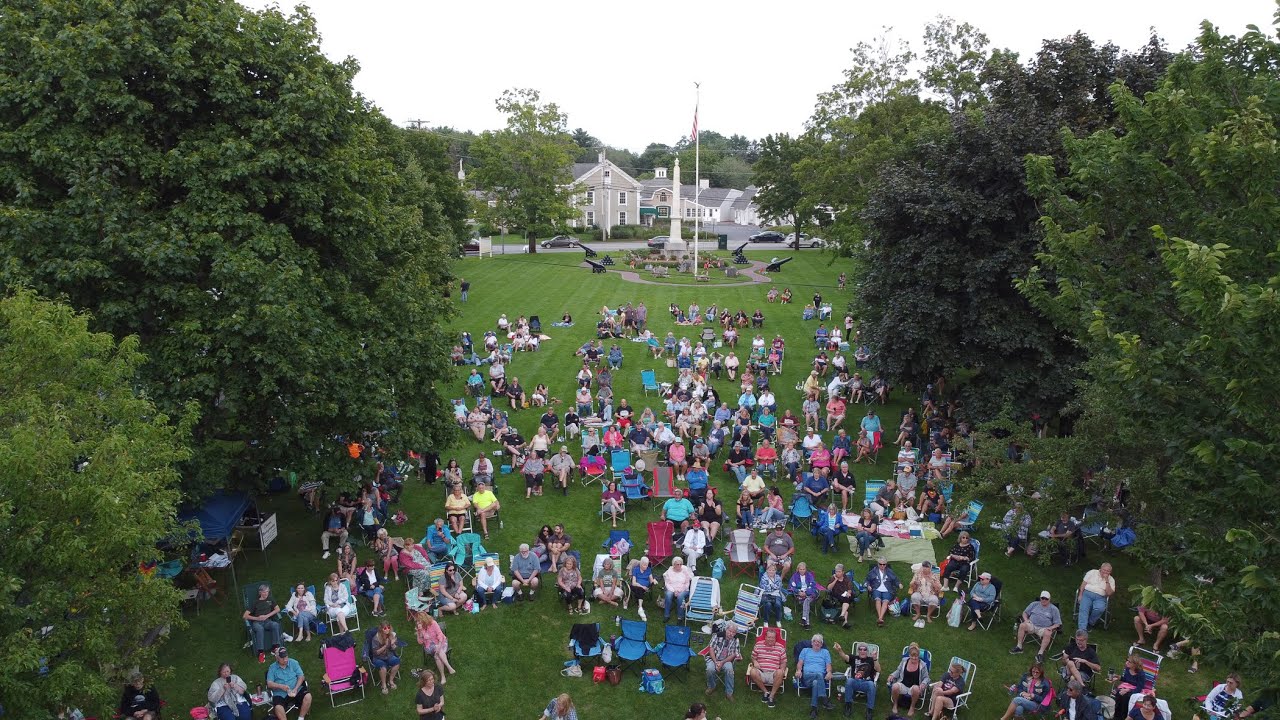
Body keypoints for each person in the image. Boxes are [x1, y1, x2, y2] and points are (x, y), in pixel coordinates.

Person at [833, 641, 880, 720]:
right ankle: (848, 706)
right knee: (849, 681)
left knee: (871, 685)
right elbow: (844, 657)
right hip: (855, 681)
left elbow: (878, 670)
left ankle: (869, 710)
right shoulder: (854, 658)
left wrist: (875, 659)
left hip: (867, 683)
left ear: (867, 651)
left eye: (864, 649)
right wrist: (839, 650)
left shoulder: (871, 660)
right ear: (858, 651)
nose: (862, 651)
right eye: (860, 649)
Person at [1012, 591, 1063, 663]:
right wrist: (1026, 620)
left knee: (1048, 633)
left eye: (1046, 599)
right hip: (1032, 624)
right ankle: (1019, 647)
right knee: (1022, 625)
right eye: (1042, 598)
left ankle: (1040, 653)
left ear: (1049, 599)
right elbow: (1025, 613)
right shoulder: (1034, 604)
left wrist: (1051, 628)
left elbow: (1057, 623)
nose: (1044, 600)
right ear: (1040, 598)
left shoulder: (1054, 609)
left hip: (1044, 628)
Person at [265, 647, 312, 720]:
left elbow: (301, 676)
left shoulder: (294, 663)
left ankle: (301, 718)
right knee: (278, 707)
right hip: (280, 693)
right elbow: (269, 683)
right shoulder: (272, 668)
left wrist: (296, 688)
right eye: (282, 658)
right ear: (277, 658)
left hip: (296, 689)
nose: (285, 659)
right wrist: (280, 686)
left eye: (286, 656)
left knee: (308, 696)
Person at [749, 626, 789, 707]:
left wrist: (782, 671)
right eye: (769, 637)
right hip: (761, 672)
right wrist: (755, 661)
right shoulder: (758, 645)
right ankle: (765, 692)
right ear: (765, 637)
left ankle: (772, 695)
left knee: (780, 672)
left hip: (774, 674)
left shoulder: (780, 647)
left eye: (773, 637)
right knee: (752, 671)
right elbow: (753, 657)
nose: (770, 639)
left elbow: (784, 662)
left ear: (775, 638)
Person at [888, 642, 931, 717]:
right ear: (909, 655)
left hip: (915, 688)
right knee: (895, 686)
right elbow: (898, 671)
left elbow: (927, 678)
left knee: (915, 689)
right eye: (912, 656)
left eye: (916, 656)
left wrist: (923, 683)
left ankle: (912, 707)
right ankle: (895, 704)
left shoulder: (923, 665)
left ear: (919, 655)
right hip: (903, 684)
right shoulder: (904, 661)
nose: (914, 658)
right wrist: (892, 675)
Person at [797, 634, 835, 718]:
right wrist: (799, 670)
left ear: (822, 644)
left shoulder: (825, 652)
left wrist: (829, 672)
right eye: (815, 641)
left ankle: (814, 709)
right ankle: (825, 699)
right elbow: (800, 663)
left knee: (815, 683)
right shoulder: (805, 650)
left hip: (819, 678)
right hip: (807, 677)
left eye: (819, 642)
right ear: (812, 643)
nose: (817, 643)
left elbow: (828, 665)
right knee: (818, 675)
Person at [242, 584, 282, 662]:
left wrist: (267, 616)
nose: (266, 593)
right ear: (260, 592)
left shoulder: (270, 599)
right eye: (264, 592)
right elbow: (245, 616)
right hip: (257, 623)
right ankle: (261, 652)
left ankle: (275, 648)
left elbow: (278, 609)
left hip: (267, 621)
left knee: (275, 625)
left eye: (267, 591)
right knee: (260, 629)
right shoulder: (255, 602)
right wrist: (257, 618)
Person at [1100, 654, 1147, 720]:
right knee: (1119, 693)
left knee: (1125, 697)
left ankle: (1123, 716)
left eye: (1129, 662)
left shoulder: (1141, 674)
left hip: (1135, 690)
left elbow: (1139, 688)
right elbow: (1126, 679)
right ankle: (1116, 715)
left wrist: (1128, 690)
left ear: (1135, 664)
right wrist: (1117, 677)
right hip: (1127, 687)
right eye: (1127, 660)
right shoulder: (1128, 669)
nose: (1126, 662)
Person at [414, 611, 456, 683]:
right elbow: (420, 642)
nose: (418, 622)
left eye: (419, 621)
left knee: (437, 654)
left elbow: (440, 635)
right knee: (437, 653)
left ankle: (443, 676)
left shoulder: (433, 623)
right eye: (417, 621)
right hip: (429, 646)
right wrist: (419, 632)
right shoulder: (420, 628)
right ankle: (449, 668)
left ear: (424, 619)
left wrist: (439, 646)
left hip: (441, 642)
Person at [704, 623, 742, 700]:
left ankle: (729, 693)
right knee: (710, 669)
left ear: (735, 633)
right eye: (729, 631)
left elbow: (734, 654)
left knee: (729, 670)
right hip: (714, 658)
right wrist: (716, 662)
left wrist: (722, 663)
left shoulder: (736, 640)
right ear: (726, 630)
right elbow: (711, 649)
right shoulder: (717, 635)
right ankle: (711, 686)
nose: (731, 633)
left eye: (733, 632)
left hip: (727, 660)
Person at [1077, 563, 1116, 630]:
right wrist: (1080, 594)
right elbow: (1083, 584)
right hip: (1087, 594)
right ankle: (1082, 629)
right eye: (1104, 570)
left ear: (1110, 572)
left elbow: (1109, 593)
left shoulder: (1111, 580)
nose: (1106, 572)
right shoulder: (1092, 572)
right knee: (1084, 609)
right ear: (1100, 569)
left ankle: (1090, 622)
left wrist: (1107, 581)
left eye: (1108, 571)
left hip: (1100, 597)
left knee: (1100, 609)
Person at [866, 557, 901, 626]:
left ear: (886, 564)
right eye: (880, 564)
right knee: (878, 600)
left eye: (884, 564)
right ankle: (880, 618)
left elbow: (895, 580)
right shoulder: (873, 571)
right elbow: (867, 580)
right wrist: (868, 585)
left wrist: (899, 584)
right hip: (876, 588)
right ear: (878, 564)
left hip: (887, 589)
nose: (882, 566)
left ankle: (880, 618)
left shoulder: (889, 571)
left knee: (885, 601)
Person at [370, 621, 402, 693]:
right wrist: (385, 646)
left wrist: (393, 644)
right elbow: (376, 652)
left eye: (388, 627)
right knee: (383, 668)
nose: (387, 629)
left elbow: (393, 649)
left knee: (397, 662)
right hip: (378, 658)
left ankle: (391, 681)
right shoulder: (376, 638)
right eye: (385, 628)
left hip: (388, 655)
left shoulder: (391, 635)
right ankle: (383, 684)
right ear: (381, 629)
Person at [789, 561, 821, 628]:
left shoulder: (809, 575)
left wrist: (806, 593)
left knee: (806, 600)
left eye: (803, 569)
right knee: (807, 601)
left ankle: (804, 619)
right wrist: (798, 592)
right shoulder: (794, 576)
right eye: (800, 569)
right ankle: (806, 622)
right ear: (798, 569)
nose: (802, 571)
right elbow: (792, 586)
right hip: (799, 594)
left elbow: (813, 585)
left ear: (805, 569)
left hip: (810, 593)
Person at [663, 556, 694, 622]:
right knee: (668, 595)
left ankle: (680, 616)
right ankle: (666, 615)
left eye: (680, 564)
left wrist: (679, 591)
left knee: (680, 597)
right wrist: (674, 591)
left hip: (683, 590)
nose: (679, 566)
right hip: (672, 589)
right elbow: (667, 583)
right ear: (674, 565)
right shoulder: (670, 571)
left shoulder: (685, 570)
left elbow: (686, 583)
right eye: (677, 564)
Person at [826, 563, 856, 629]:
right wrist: (835, 580)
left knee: (848, 597)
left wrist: (848, 592)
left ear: (843, 572)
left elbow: (850, 587)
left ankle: (842, 616)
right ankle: (844, 622)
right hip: (837, 595)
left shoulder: (846, 578)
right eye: (836, 571)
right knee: (846, 600)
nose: (837, 573)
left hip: (846, 595)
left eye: (839, 572)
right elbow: (829, 588)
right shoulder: (832, 578)